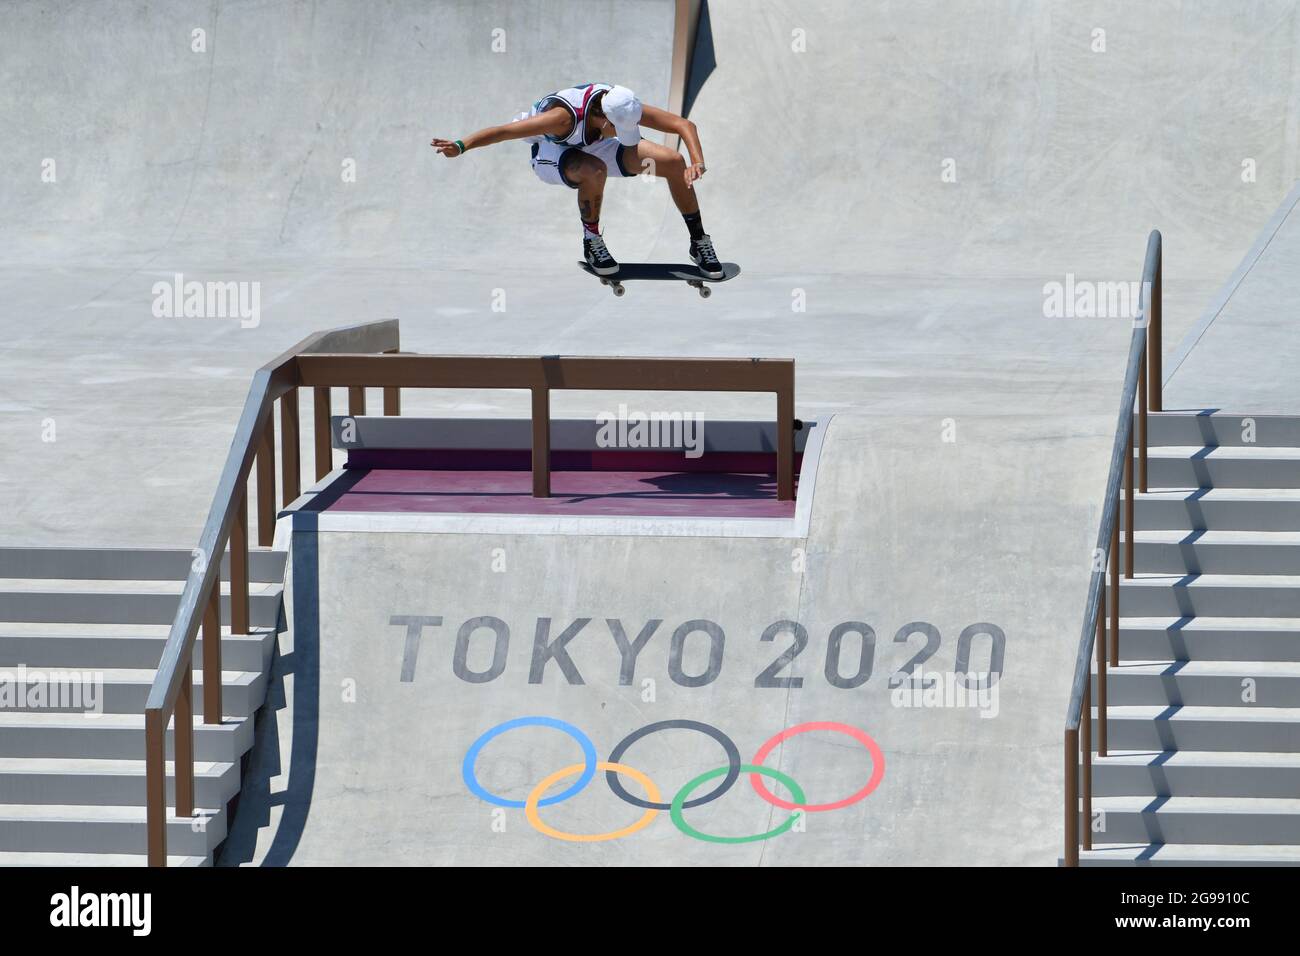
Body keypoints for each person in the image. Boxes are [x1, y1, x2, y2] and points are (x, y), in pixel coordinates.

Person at [431, 83, 722, 278]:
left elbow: (683, 124)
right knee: (594, 170)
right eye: (620, 129)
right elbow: (504, 132)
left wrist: (697, 162)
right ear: (603, 119)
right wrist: (461, 145)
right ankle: (592, 241)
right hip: (550, 153)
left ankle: (698, 240)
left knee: (672, 162)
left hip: (593, 144)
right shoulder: (560, 119)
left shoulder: (620, 103)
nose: (623, 133)